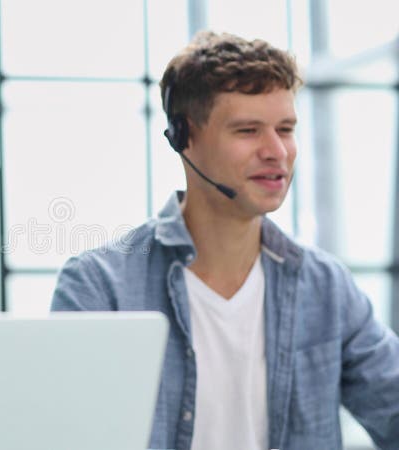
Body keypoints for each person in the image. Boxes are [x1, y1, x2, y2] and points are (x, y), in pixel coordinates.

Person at [51, 32, 399, 450]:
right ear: (184, 138)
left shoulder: (325, 287)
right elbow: (69, 435)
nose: (277, 151)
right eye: (248, 130)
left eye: (285, 129)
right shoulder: (100, 287)